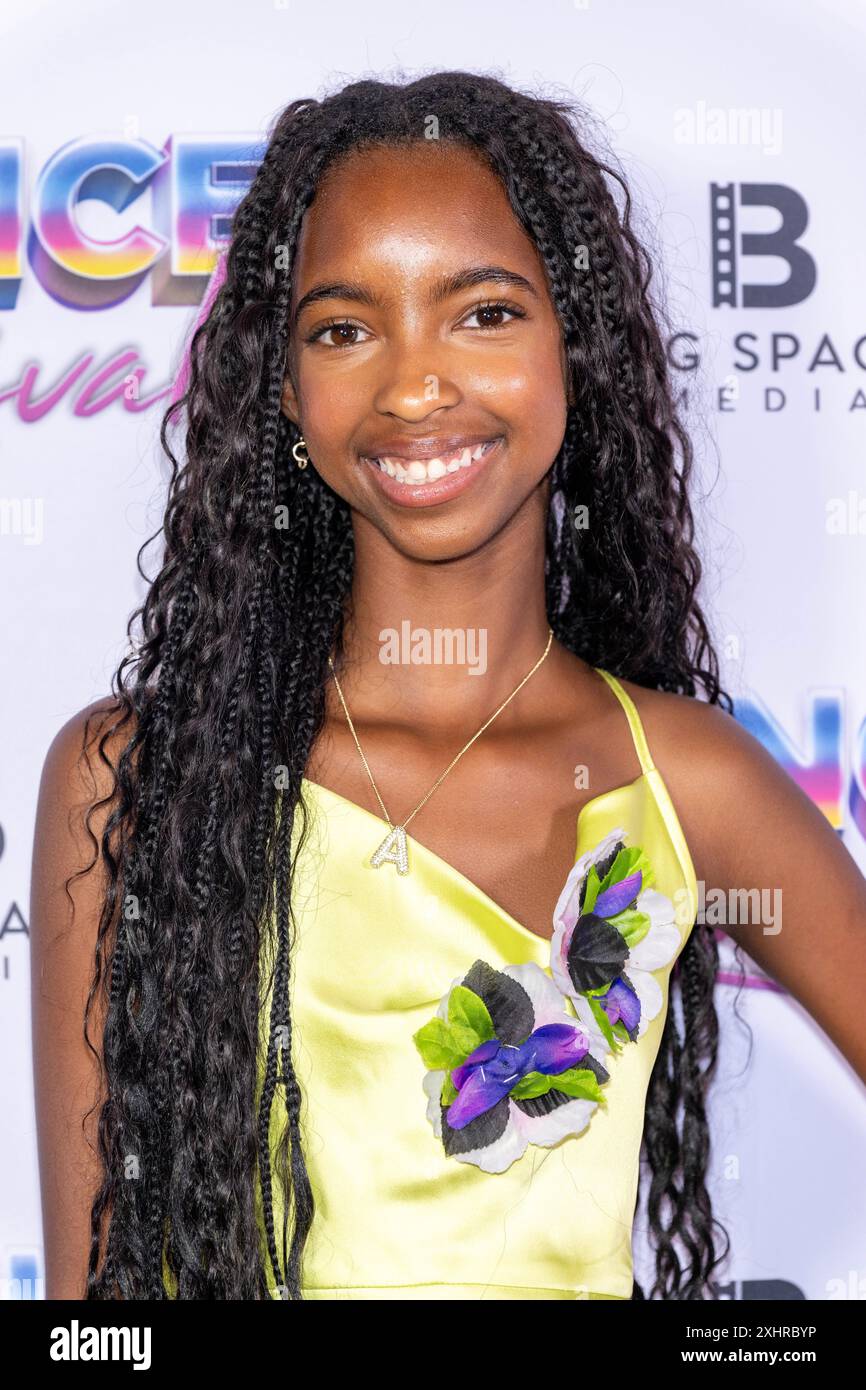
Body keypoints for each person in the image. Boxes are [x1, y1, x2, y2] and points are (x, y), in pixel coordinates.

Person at [30, 70, 866, 1302]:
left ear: (572, 343)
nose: (414, 384)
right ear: (285, 390)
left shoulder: (684, 779)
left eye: (480, 312)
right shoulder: (138, 775)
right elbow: (92, 1316)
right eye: (343, 328)